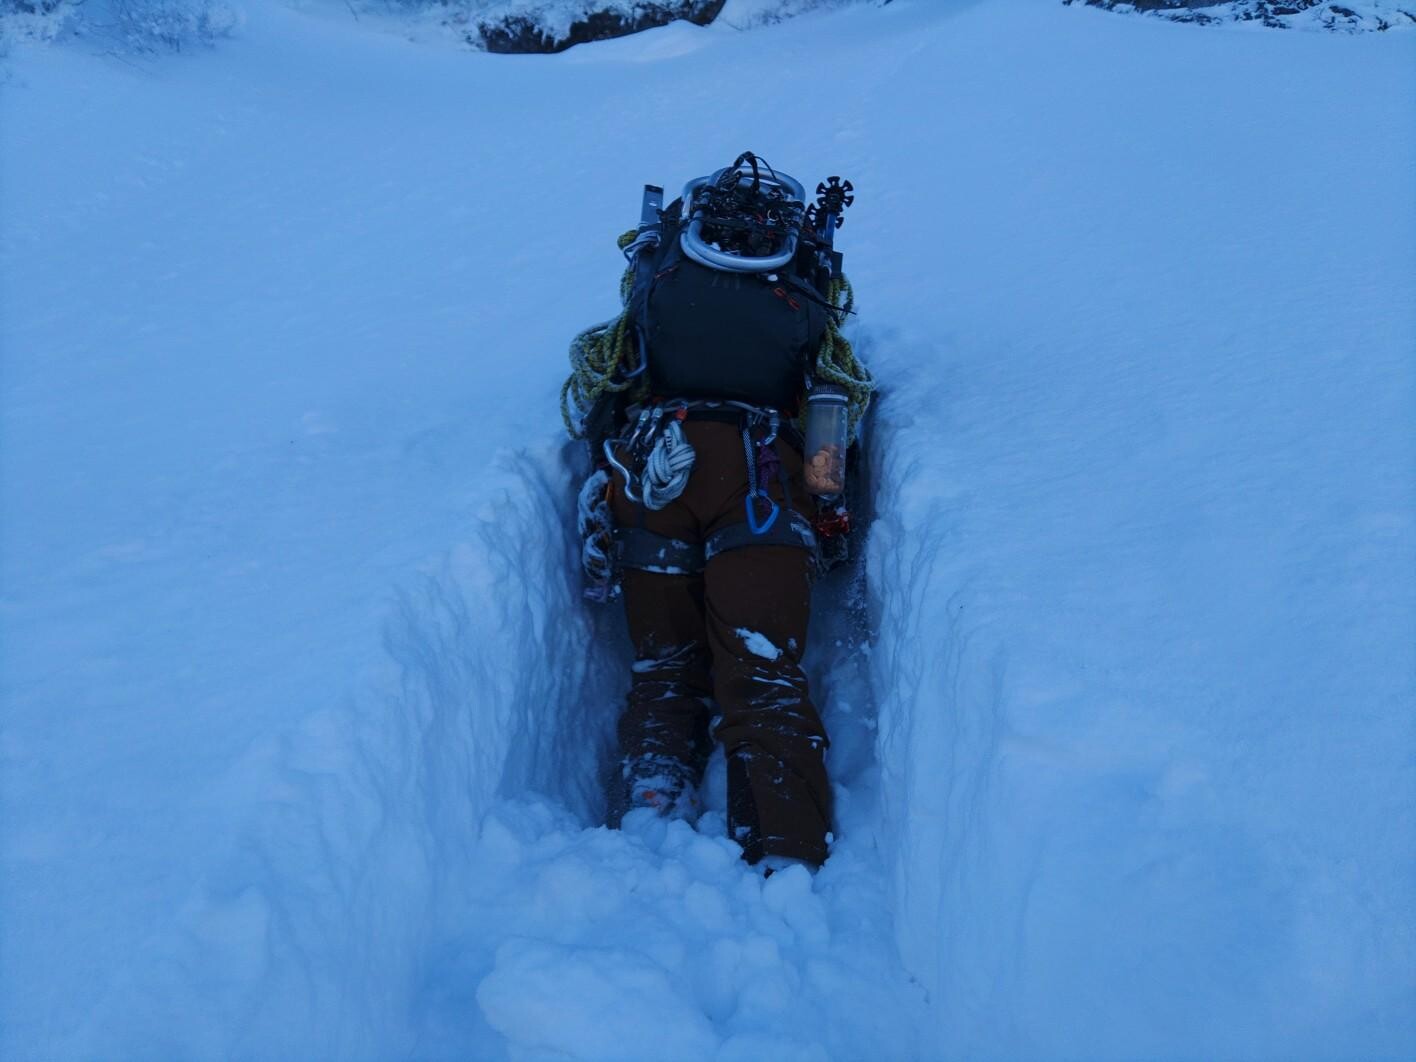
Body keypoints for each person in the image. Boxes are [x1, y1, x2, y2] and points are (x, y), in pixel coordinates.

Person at [563, 152, 871, 871]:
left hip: (656, 480)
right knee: (760, 670)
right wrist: (828, 516)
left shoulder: (659, 284)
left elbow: (613, 391)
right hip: (761, 485)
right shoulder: (807, 301)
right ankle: (787, 848)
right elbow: (833, 417)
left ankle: (650, 802)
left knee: (665, 665)